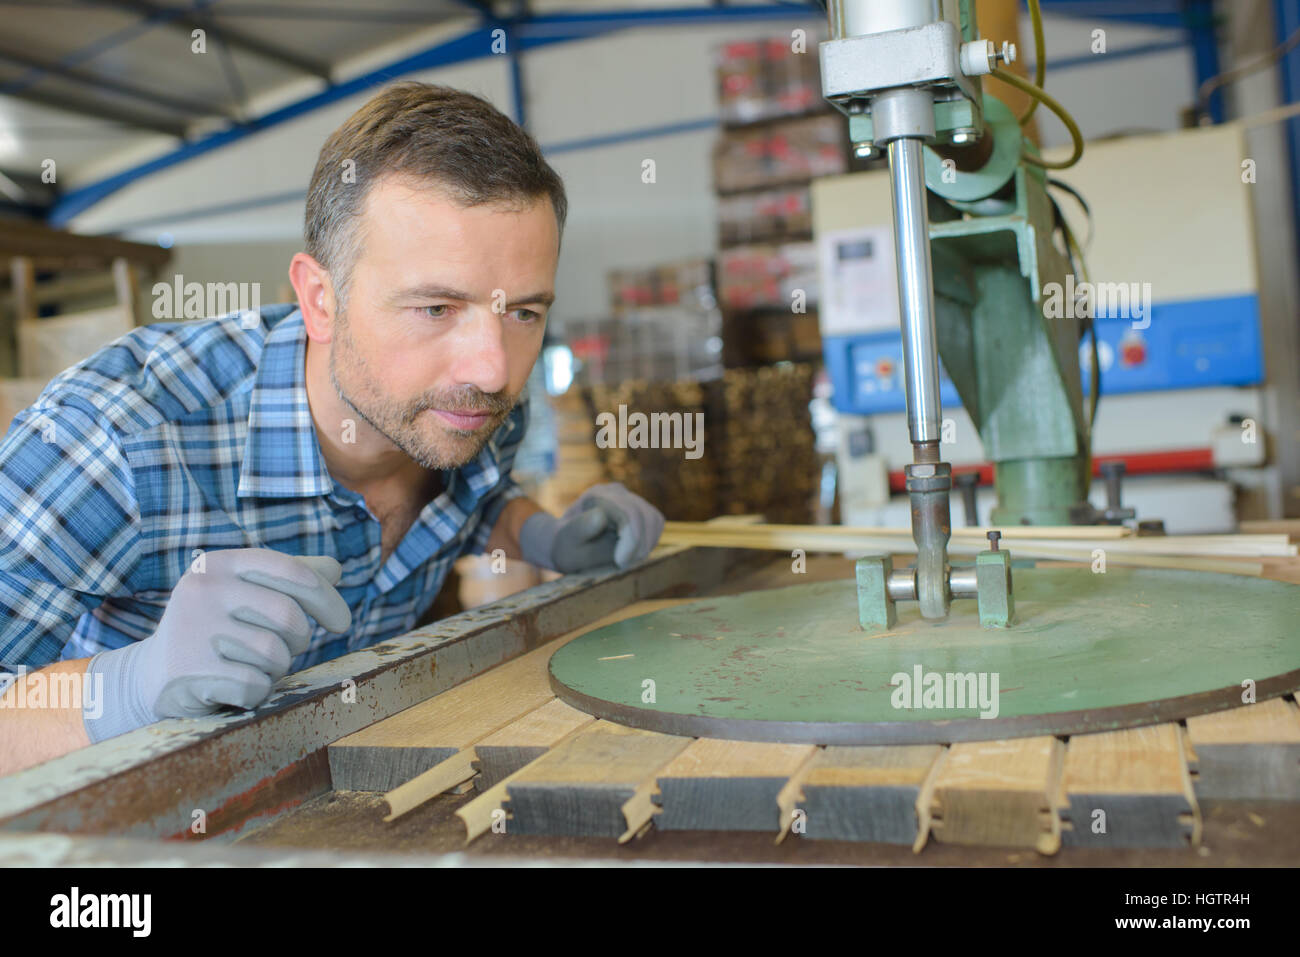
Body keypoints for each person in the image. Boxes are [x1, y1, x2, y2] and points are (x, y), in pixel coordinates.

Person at [0, 82, 663, 775]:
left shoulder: (465, 403)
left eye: (525, 311)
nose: (494, 368)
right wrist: (128, 688)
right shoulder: (113, 440)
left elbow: (475, 499)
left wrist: (543, 535)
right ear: (321, 299)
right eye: (437, 307)